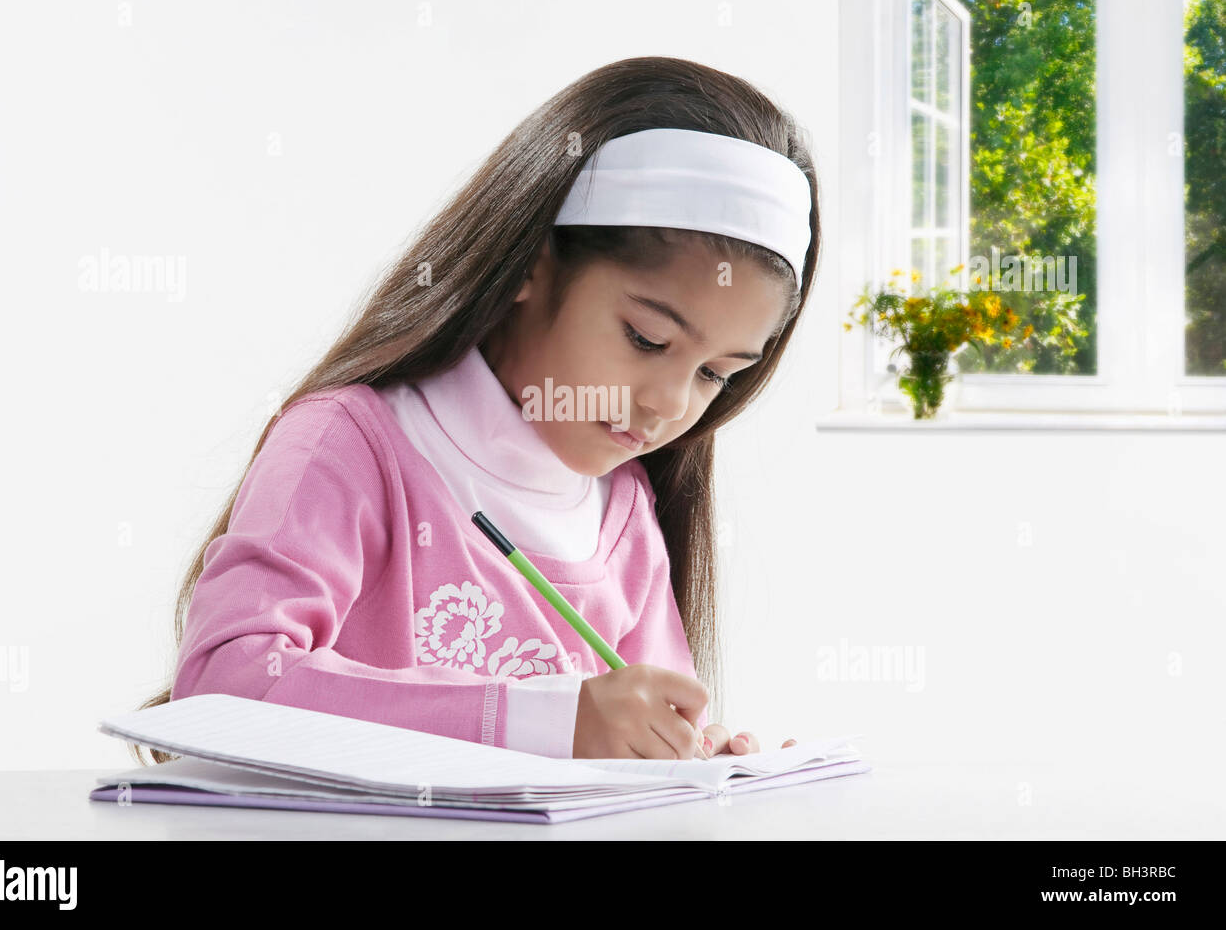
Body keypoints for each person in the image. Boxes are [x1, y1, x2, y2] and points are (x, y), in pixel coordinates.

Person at [130, 55, 820, 763]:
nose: (670, 405)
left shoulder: (624, 514)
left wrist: (697, 761)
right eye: (646, 339)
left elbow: (648, 735)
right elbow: (222, 690)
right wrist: (547, 721)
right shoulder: (352, 445)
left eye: (714, 373)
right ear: (530, 264)